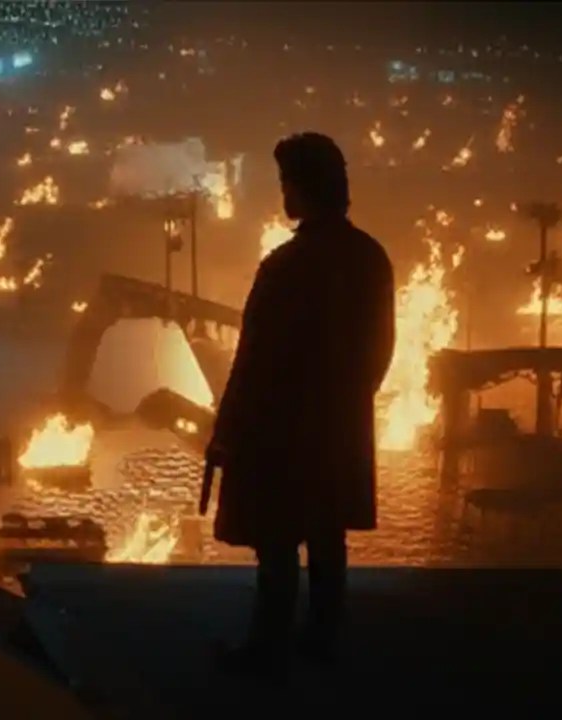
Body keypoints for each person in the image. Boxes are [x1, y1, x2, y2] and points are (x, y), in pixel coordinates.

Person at [206, 132, 395, 675]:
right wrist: (349, 400)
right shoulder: (370, 257)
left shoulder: (287, 266)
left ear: (302, 188)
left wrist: (229, 432)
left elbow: (254, 360)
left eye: (286, 182)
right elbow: (380, 351)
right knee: (327, 536)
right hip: (339, 428)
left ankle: (266, 652)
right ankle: (321, 641)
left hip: (281, 432)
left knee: (278, 542)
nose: (283, 192)